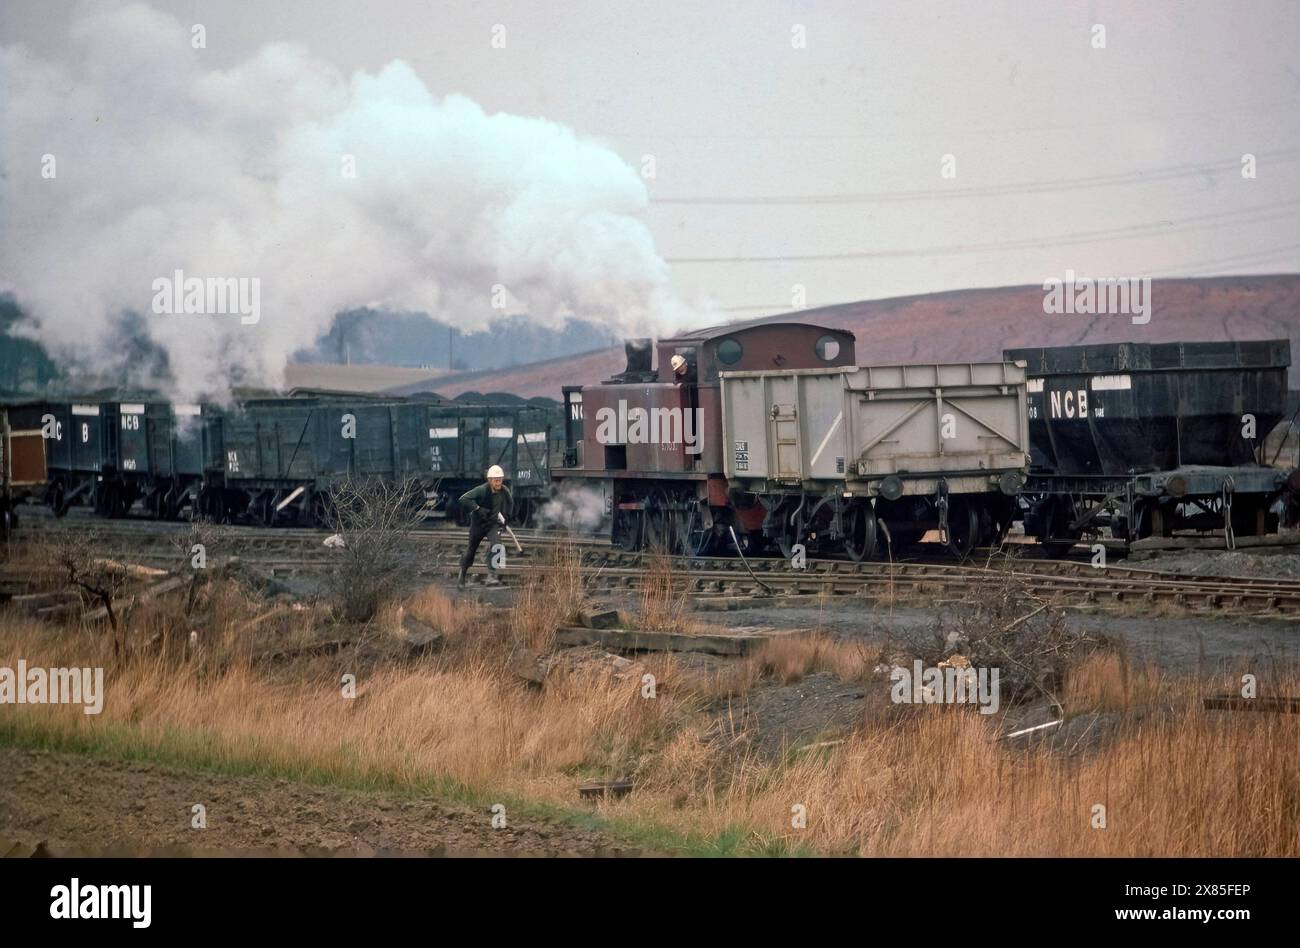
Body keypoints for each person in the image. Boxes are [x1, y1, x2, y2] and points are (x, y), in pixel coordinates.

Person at [457, 464, 513, 587]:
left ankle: (491, 575)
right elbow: (463, 499)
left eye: (500, 479)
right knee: (471, 551)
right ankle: (462, 574)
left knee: (498, 546)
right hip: (478, 524)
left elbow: (510, 504)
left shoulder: (505, 491)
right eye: (495, 479)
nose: (498, 482)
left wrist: (506, 517)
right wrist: (478, 508)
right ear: (490, 480)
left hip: (492, 525)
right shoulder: (481, 490)